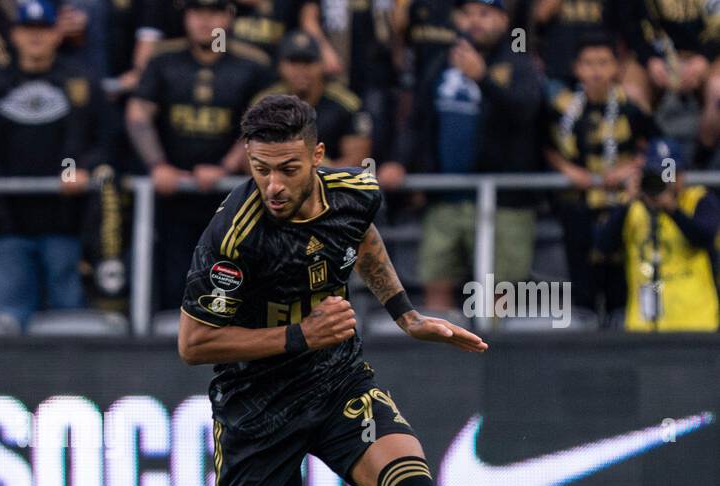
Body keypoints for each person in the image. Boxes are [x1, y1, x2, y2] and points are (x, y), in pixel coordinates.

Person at [169, 94, 540, 486]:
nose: (273, 185)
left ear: (317, 155)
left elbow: (359, 240)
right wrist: (299, 336)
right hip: (256, 414)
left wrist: (406, 314)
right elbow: (192, 344)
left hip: (337, 384)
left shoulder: (354, 192)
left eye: (287, 167)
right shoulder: (234, 235)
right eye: (260, 169)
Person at [388, 0, 545, 315]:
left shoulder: (519, 63)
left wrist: (483, 79)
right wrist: (399, 161)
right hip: (446, 197)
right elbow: (418, 119)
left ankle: (496, 360)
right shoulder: (441, 62)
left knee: (498, 295)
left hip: (504, 200)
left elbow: (526, 114)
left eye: (484, 13)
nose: (475, 21)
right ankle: (438, 360)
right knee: (436, 282)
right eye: (468, 13)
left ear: (503, 18)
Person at [126, 0, 276, 310]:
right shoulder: (163, 60)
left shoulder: (253, 64)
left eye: (215, 12)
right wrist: (158, 165)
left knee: (233, 283)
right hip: (173, 194)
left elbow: (262, 124)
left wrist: (225, 167)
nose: (205, 20)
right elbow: (138, 114)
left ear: (229, 16)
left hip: (233, 199)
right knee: (174, 280)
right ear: (186, 17)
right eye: (197, 12)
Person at [0, 0, 104, 327]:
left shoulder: (81, 80)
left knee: (69, 320)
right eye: (28, 30)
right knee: (7, 320)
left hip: (63, 220)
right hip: (8, 221)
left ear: (57, 33)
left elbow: (106, 138)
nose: (35, 38)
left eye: (43, 30)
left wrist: (85, 168)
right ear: (14, 35)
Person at [544, 34, 658, 319]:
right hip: (576, 207)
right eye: (588, 63)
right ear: (576, 68)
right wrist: (567, 170)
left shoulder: (631, 108)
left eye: (603, 63)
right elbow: (541, 146)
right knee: (582, 282)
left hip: (622, 207)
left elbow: (658, 148)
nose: (596, 71)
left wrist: (630, 168)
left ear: (616, 68)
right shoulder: (560, 107)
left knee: (619, 284)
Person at [594, 138, 720, 331]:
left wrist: (671, 208)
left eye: (670, 173)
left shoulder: (698, 200)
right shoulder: (632, 206)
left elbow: (703, 238)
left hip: (695, 322)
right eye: (658, 174)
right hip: (643, 324)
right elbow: (603, 246)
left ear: (681, 176)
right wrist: (626, 201)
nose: (664, 180)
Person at [254, 30, 372, 168]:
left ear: (322, 65)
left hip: (331, 184)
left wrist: (313, 177)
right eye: (294, 62)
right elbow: (251, 156)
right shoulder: (265, 105)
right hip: (276, 182)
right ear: (281, 66)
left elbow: (357, 159)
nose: (301, 70)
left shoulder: (347, 105)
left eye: (308, 62)